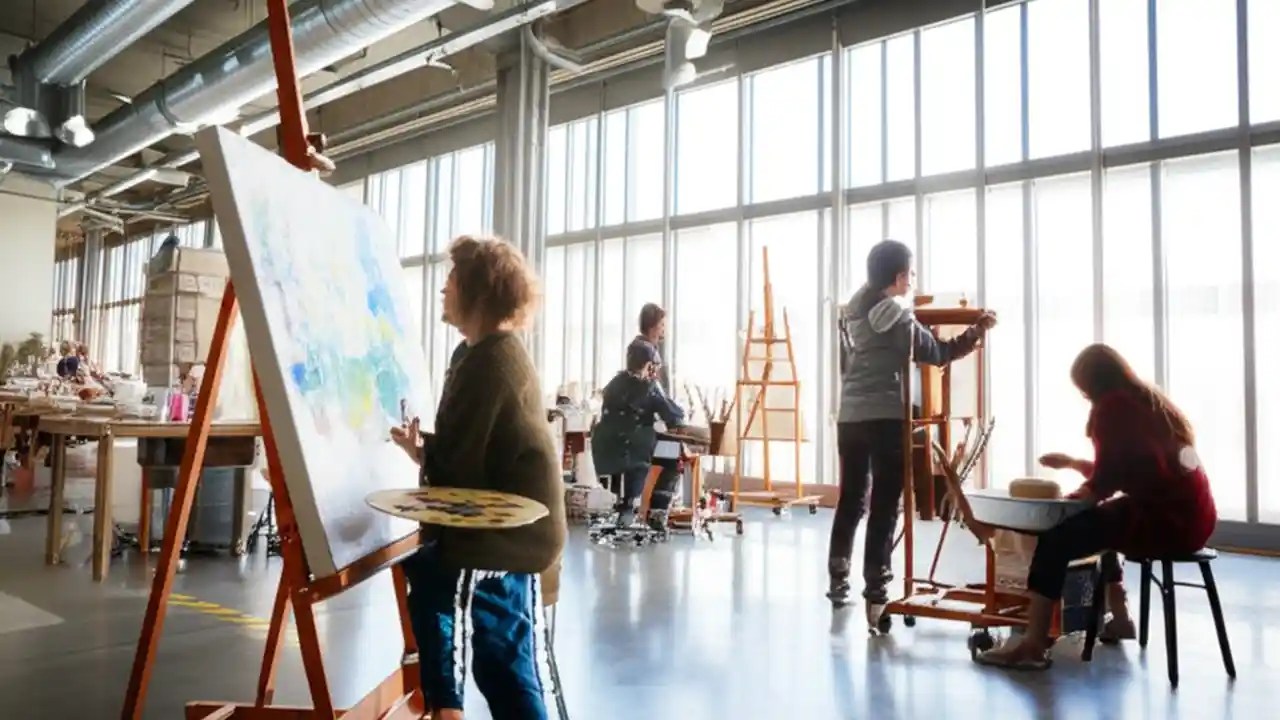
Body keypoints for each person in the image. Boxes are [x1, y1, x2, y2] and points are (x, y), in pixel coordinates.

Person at [389, 235, 566, 720]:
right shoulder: (478, 353)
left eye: (451, 280)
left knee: (431, 581)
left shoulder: (490, 362)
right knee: (504, 663)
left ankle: (447, 708)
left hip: (508, 534)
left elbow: (461, 469)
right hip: (515, 527)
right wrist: (423, 449)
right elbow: (469, 453)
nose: (443, 289)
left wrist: (430, 458)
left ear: (478, 292)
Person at [977, 343, 1217, 670]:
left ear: (1090, 384)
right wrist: (1074, 465)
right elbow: (1134, 469)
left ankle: (1033, 644)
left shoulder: (1113, 407)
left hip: (1166, 523)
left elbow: (1106, 480)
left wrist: (1068, 504)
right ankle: (1121, 618)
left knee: (1056, 540)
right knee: (1105, 524)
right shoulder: (1148, 402)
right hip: (1194, 519)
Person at [828, 239, 996, 615]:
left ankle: (838, 578)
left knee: (852, 498)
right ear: (900, 276)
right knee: (885, 502)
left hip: (850, 415)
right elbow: (937, 353)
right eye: (911, 273)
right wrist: (976, 332)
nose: (913, 279)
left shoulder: (852, 311)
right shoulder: (899, 317)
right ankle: (877, 590)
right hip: (885, 416)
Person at [591, 340, 686, 528]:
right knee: (674, 454)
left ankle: (627, 505)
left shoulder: (613, 385)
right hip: (633, 453)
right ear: (649, 365)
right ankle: (657, 512)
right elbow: (675, 417)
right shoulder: (649, 388)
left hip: (604, 454)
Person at [629, 302, 668, 392]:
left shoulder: (636, 346)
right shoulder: (646, 351)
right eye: (662, 324)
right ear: (652, 326)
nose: (664, 328)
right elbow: (653, 387)